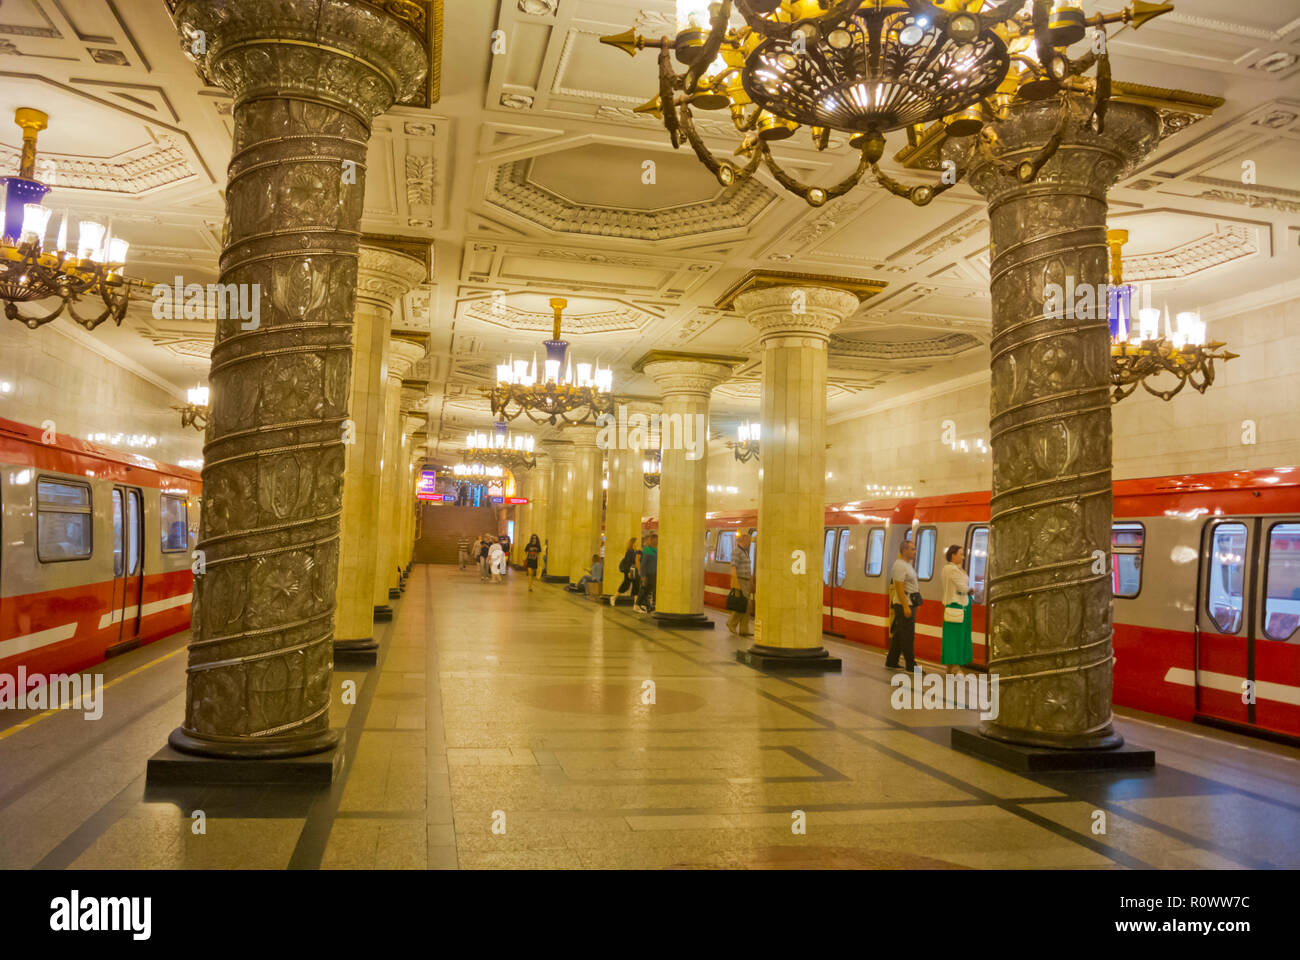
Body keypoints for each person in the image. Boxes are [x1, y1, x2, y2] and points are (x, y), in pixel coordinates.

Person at [886, 538, 920, 672]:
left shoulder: (907, 564)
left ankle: (892, 661)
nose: (915, 551)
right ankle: (911, 665)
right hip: (904, 604)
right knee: (907, 635)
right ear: (904, 550)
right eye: (912, 549)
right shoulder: (899, 565)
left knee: (900, 633)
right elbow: (899, 587)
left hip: (909, 602)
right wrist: (905, 606)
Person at [941, 544, 973, 674]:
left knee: (953, 638)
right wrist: (970, 589)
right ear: (953, 555)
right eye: (961, 554)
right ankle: (955, 667)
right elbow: (962, 586)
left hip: (960, 606)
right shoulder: (951, 569)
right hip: (957, 606)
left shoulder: (956, 569)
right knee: (956, 638)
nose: (963, 557)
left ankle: (951, 666)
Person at [727, 531, 754, 636]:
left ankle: (744, 629)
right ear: (744, 541)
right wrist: (736, 583)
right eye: (749, 541)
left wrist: (750, 582)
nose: (750, 543)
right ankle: (731, 623)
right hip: (740, 580)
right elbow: (733, 567)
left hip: (746, 580)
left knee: (748, 606)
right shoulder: (736, 551)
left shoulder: (745, 552)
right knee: (743, 604)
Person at [610, 537, 640, 606]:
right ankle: (614, 597)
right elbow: (628, 562)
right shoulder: (630, 551)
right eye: (636, 542)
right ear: (633, 543)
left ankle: (636, 604)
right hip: (629, 571)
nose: (637, 543)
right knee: (626, 585)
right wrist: (629, 572)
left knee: (636, 585)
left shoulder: (635, 551)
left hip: (634, 571)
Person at [635, 532, 658, 613]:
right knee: (645, 589)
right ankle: (637, 605)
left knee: (650, 590)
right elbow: (643, 564)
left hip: (655, 573)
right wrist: (643, 575)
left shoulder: (656, 549)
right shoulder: (647, 550)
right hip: (648, 573)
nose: (656, 541)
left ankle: (647, 606)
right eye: (654, 540)